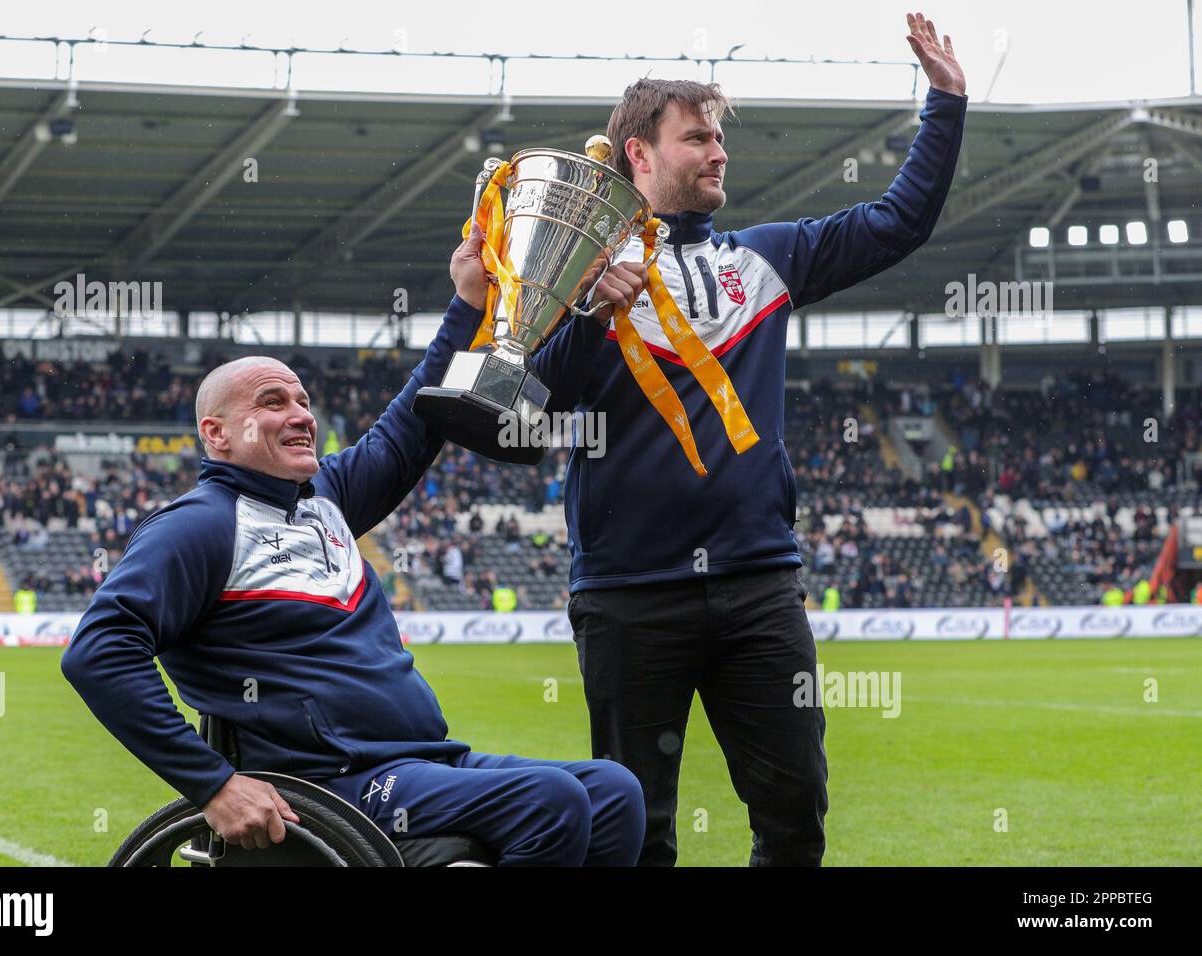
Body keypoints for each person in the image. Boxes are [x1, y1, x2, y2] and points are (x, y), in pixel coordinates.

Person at [61, 229, 649, 866]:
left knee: (614, 791)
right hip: (334, 788)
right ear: (217, 434)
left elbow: (417, 418)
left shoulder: (325, 497)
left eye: (304, 401)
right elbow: (98, 651)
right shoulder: (197, 526)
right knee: (550, 799)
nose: (301, 414)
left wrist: (469, 305)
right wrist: (215, 784)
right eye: (273, 402)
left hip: (420, 761)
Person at [553, 13, 967, 865]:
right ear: (639, 153)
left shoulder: (767, 259)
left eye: (719, 138)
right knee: (636, 832)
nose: (718, 153)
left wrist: (947, 103)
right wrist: (592, 313)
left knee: (794, 811)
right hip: (629, 593)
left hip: (759, 587)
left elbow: (898, 223)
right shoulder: (575, 271)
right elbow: (530, 403)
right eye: (697, 137)